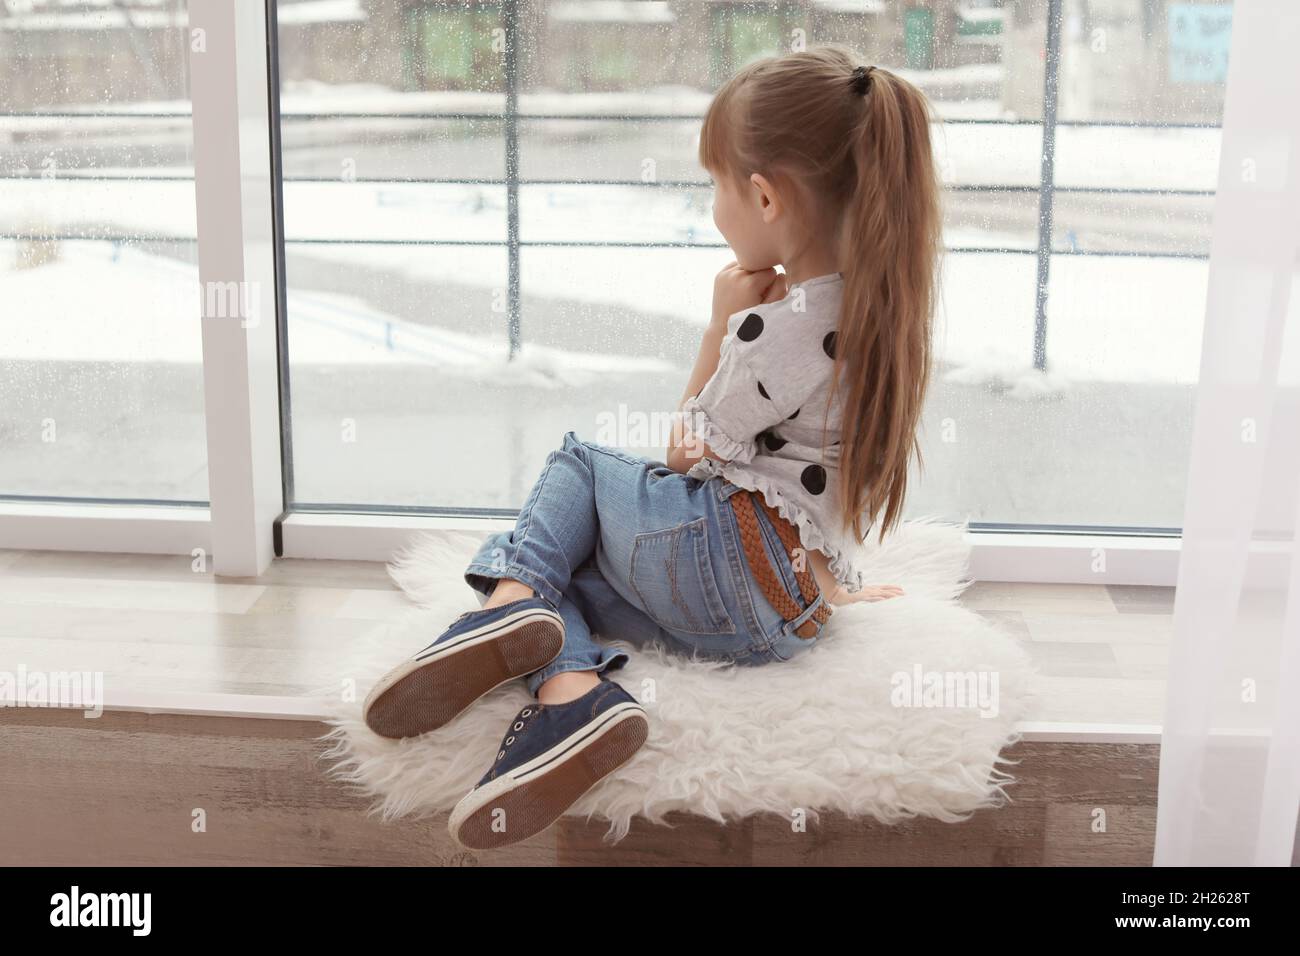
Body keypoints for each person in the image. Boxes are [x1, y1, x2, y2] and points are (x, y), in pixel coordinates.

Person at [363, 44, 942, 851]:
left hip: (728, 559)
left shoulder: (779, 325)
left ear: (766, 196)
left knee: (579, 463)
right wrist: (825, 583)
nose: (714, 204)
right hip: (780, 617)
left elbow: (688, 450)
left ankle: (503, 611)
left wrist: (718, 325)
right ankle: (570, 693)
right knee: (568, 573)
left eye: (717, 185)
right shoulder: (886, 315)